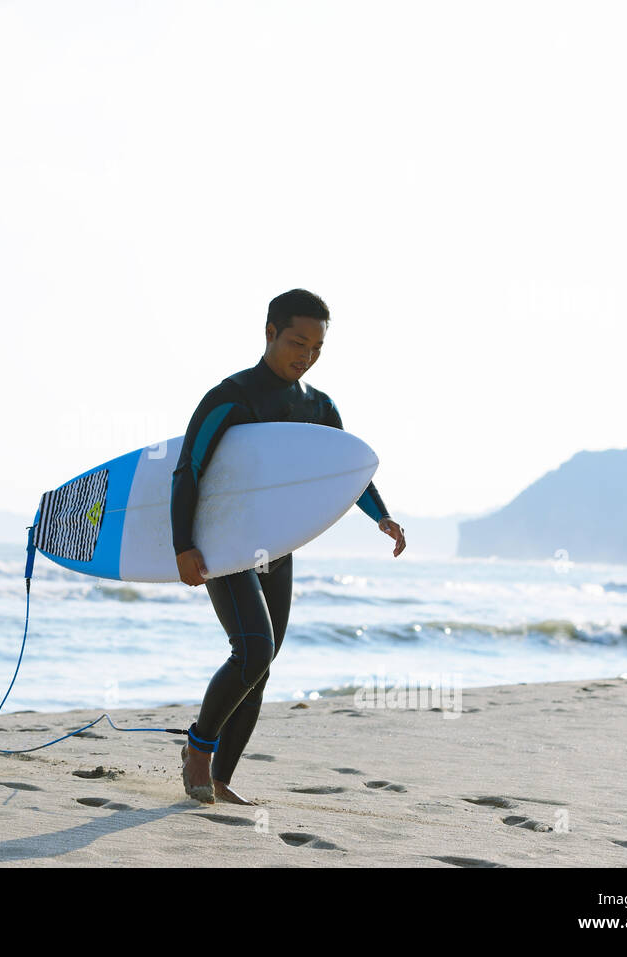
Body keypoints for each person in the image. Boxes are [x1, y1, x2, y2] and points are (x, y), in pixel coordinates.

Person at [170, 288, 406, 805]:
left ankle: (220, 778)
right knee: (252, 647)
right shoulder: (230, 397)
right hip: (224, 539)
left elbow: (346, 472)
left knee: (264, 659)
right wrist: (182, 544)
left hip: (277, 544)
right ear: (270, 333)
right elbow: (187, 469)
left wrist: (381, 515)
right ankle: (198, 749)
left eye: (317, 348)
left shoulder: (317, 407)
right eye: (298, 342)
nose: (307, 355)